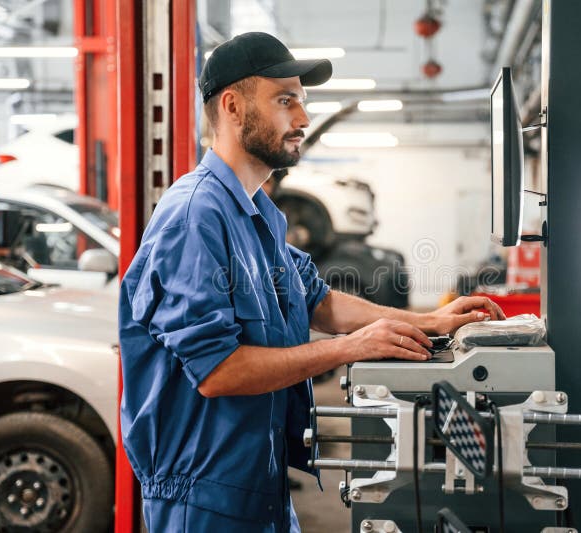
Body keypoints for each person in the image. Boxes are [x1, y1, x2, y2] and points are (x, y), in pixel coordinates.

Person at [118, 31, 505, 533]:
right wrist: (349, 349)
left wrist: (430, 321)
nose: (301, 118)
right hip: (205, 496)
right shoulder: (195, 215)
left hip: (262, 481)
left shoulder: (260, 214)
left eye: (302, 102)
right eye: (285, 101)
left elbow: (319, 301)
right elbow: (217, 372)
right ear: (233, 107)